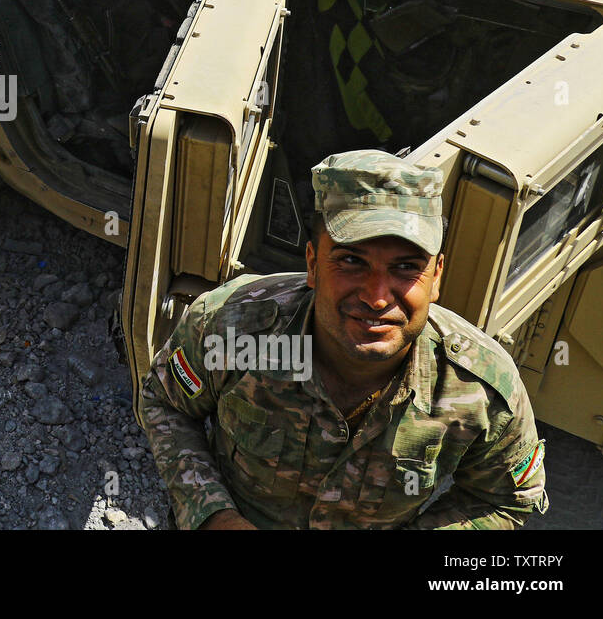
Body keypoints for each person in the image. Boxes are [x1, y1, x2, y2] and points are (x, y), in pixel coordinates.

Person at [139, 149, 549, 529]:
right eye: (352, 261)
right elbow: (165, 403)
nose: (376, 297)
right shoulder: (233, 326)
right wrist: (212, 515)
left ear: (437, 276)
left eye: (406, 268)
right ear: (313, 264)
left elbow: (508, 500)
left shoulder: (480, 386)